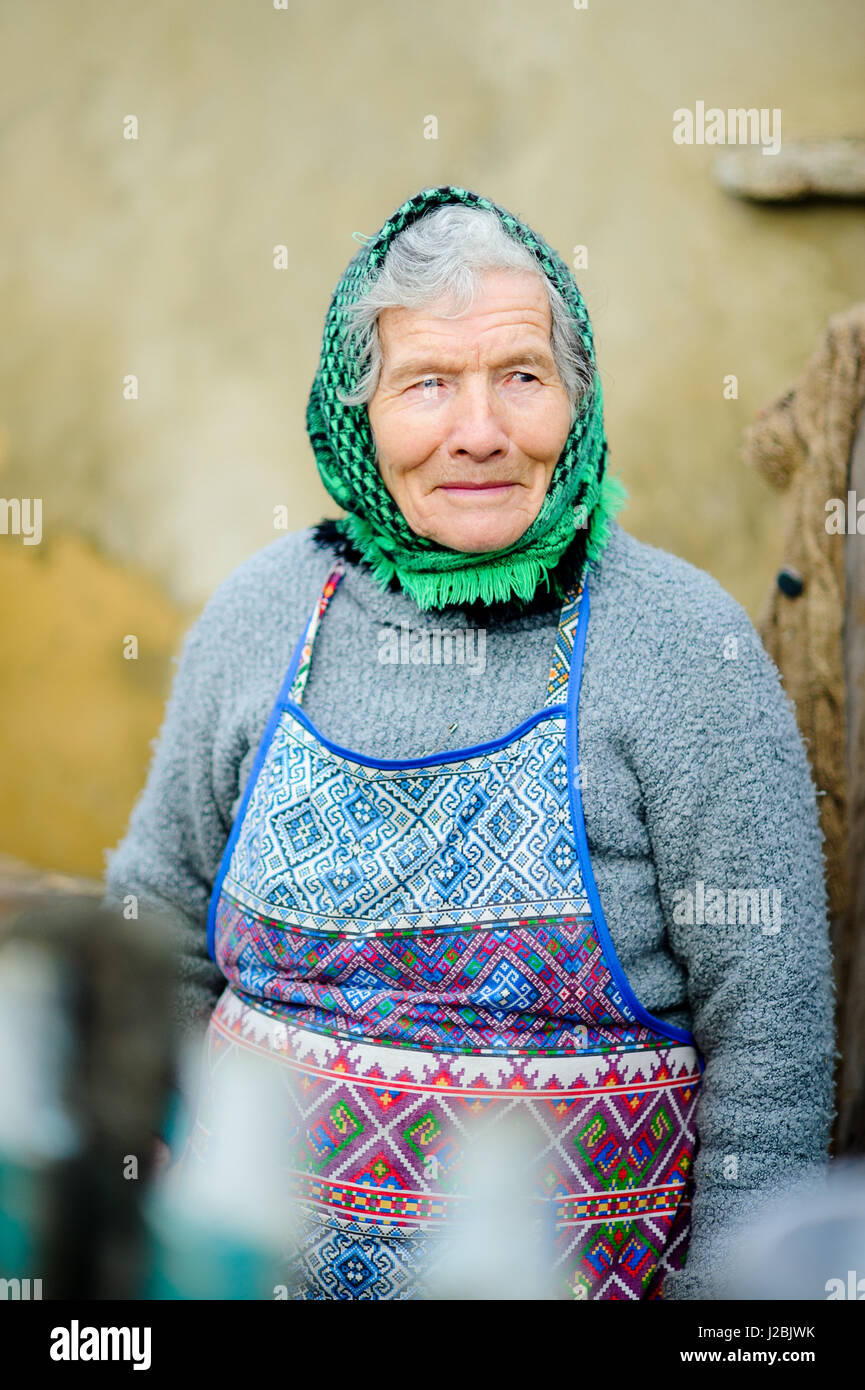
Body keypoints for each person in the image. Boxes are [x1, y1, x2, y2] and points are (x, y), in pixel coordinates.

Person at [103, 184, 836, 1300]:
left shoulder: (684, 650)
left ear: (576, 399)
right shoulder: (263, 617)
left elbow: (771, 1046)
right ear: (358, 416)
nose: (479, 432)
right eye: (428, 384)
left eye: (520, 378)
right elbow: (155, 924)